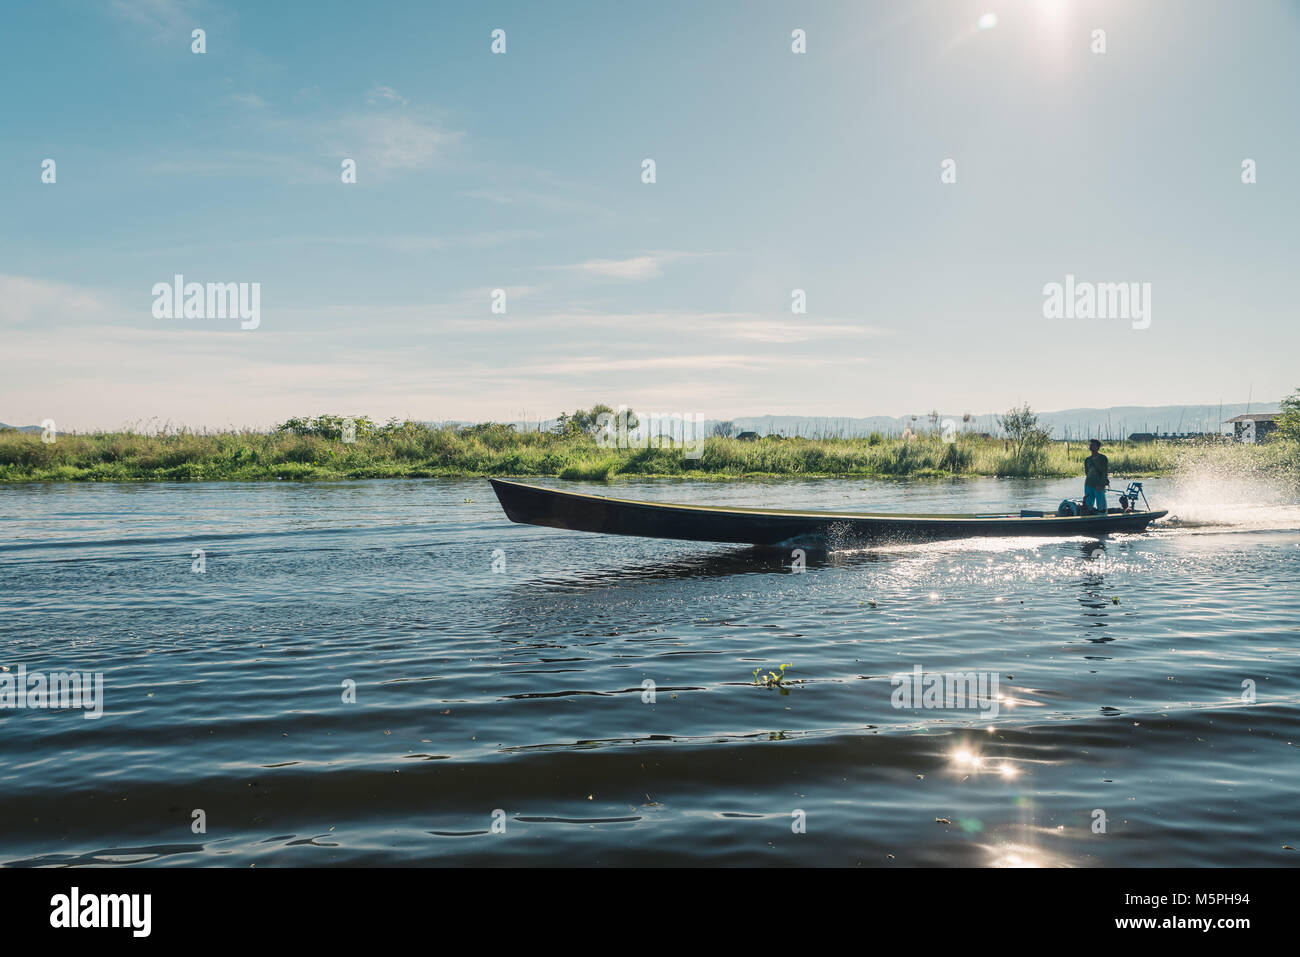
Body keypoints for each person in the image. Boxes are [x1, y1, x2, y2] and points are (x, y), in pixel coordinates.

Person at [1083, 439, 1109, 514]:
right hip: (1088, 484)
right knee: (1088, 504)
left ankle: (1102, 516)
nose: (1091, 446)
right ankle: (1089, 516)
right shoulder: (1087, 460)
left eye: (1093, 445)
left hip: (1099, 485)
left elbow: (1104, 473)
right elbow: (1087, 472)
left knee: (1101, 506)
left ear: (1098, 447)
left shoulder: (1103, 458)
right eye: (1090, 445)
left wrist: (1101, 485)